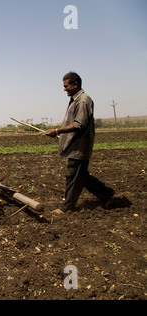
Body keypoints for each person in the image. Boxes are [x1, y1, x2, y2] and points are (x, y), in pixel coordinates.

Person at [45, 72, 115, 214]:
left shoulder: (83, 100)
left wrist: (57, 131)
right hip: (76, 145)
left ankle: (67, 207)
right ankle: (106, 194)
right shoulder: (76, 99)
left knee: (73, 175)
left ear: (75, 84)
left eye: (66, 86)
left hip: (79, 146)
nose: (64, 89)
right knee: (81, 176)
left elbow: (79, 124)